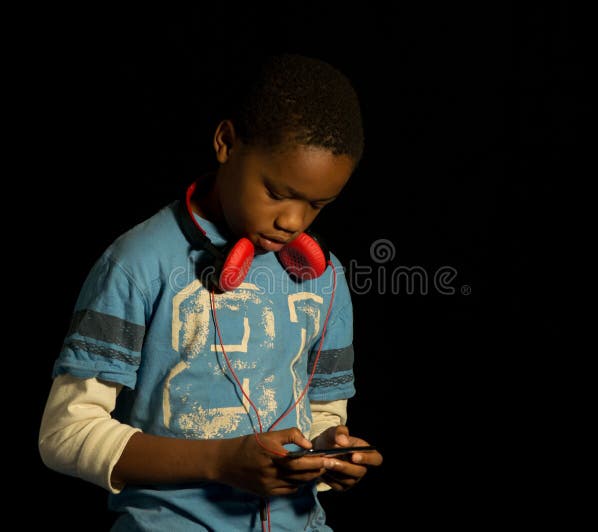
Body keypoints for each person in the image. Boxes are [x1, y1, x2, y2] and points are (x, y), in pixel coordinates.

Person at [39, 53, 383, 531]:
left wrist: (330, 455)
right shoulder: (137, 264)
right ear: (226, 143)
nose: (293, 222)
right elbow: (64, 434)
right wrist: (220, 462)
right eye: (277, 193)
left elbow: (322, 414)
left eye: (317, 205)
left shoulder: (325, 277)